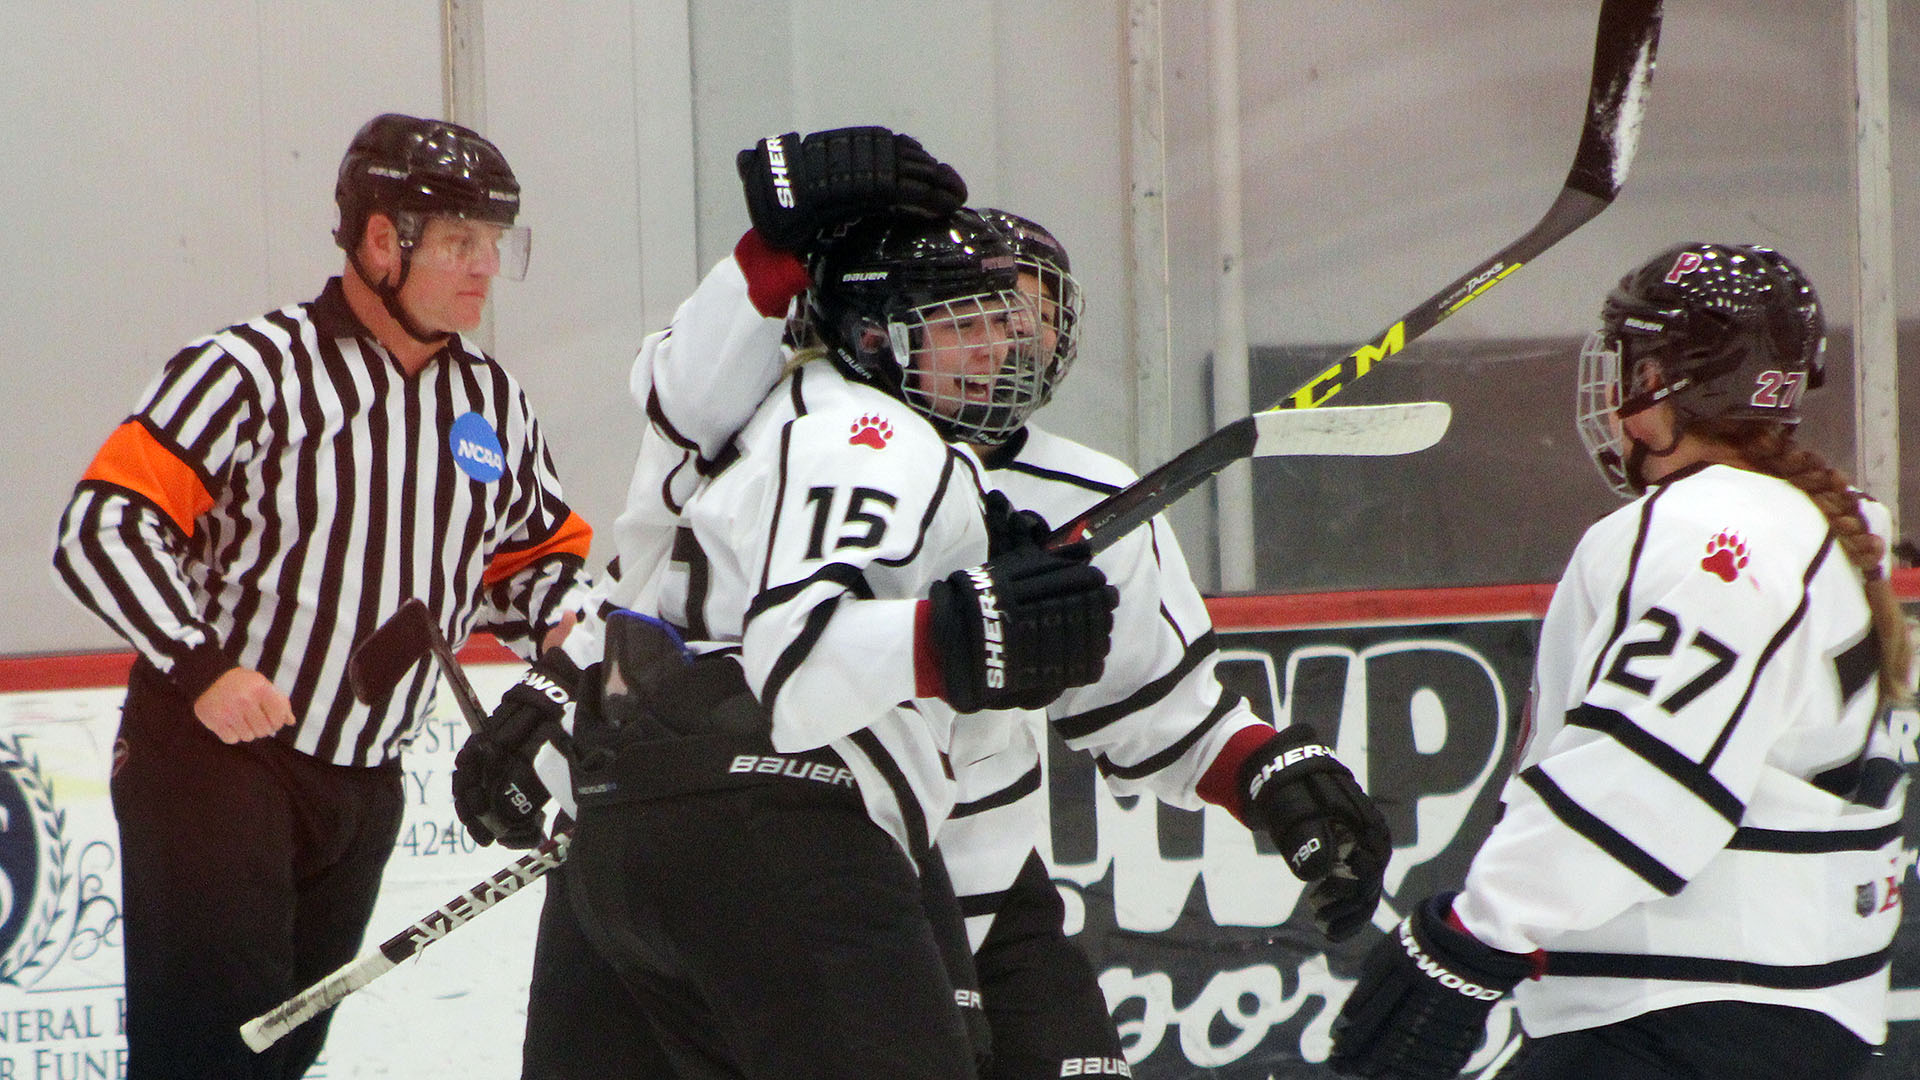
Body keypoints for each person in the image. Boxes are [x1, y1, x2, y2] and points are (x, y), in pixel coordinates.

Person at [461, 127, 1389, 1076]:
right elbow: (679, 591)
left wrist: (1268, 777)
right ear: (879, 328)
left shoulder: (1078, 491)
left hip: (945, 874)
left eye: (1023, 320)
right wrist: (555, 693)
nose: (1010, 346)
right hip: (788, 848)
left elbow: (1159, 714)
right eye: (976, 319)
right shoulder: (782, 420)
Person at [50, 112, 592, 1080]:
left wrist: (572, 669)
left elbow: (540, 573)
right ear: (382, 240)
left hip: (363, 787)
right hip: (214, 768)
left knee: (280, 1059)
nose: (485, 267)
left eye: (495, 243)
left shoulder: (493, 408)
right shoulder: (251, 372)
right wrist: (204, 666)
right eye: (462, 240)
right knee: (210, 1062)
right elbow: (104, 526)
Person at [1328, 242, 1912, 1080]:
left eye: (1631, 365)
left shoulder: (1716, 537)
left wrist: (1480, 933)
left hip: (1685, 1019)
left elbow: (1648, 769)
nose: (1616, 396)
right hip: (1748, 1016)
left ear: (1661, 383)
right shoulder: (1788, 526)